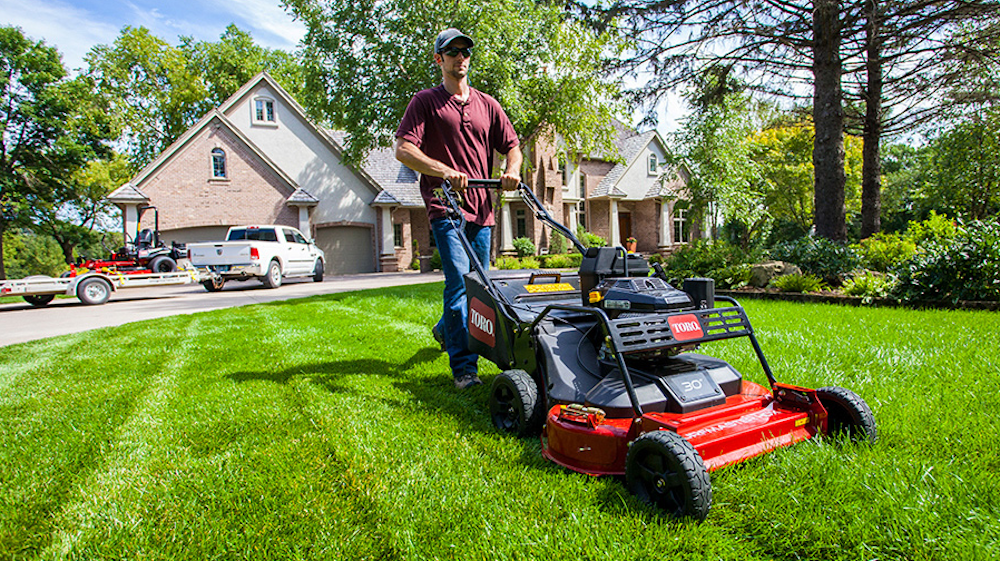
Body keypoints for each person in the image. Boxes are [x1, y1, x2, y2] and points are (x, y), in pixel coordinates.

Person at [395, 28, 523, 389]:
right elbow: (404, 149)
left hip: (482, 209)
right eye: (452, 52)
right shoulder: (425, 102)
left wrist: (512, 170)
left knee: (480, 288)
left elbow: (512, 146)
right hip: (445, 205)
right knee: (458, 283)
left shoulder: (488, 104)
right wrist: (444, 171)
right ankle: (465, 370)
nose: (460, 57)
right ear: (439, 59)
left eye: (465, 51)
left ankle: (445, 328)